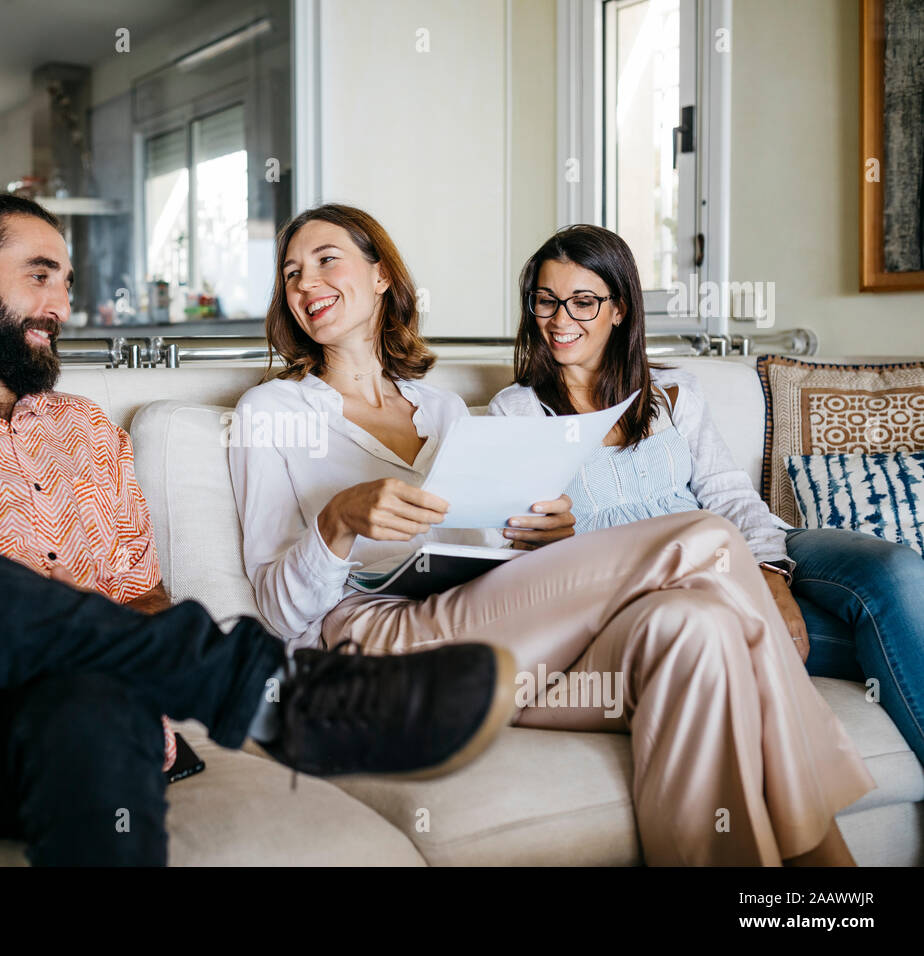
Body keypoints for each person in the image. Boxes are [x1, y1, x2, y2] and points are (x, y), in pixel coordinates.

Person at [0, 193, 519, 868]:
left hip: (55, 732)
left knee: (90, 693)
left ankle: (248, 690)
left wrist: (77, 634)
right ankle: (265, 693)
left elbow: (142, 598)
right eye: (40, 276)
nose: (62, 305)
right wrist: (27, 609)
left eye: (67, 282)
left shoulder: (86, 430)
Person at [229, 203, 876, 865]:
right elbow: (280, 615)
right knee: (704, 535)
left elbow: (480, 548)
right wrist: (337, 523)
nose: (305, 282)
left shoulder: (443, 408)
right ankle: (827, 853)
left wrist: (542, 539)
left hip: (483, 628)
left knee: (697, 626)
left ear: (381, 277)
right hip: (374, 641)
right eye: (290, 273)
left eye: (325, 259)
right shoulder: (271, 412)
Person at [489, 223, 924, 771]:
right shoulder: (520, 412)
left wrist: (771, 573)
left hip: (755, 544)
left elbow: (728, 494)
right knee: (884, 631)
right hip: (676, 583)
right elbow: (532, 552)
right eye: (546, 302)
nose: (560, 320)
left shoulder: (673, 391)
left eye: (583, 302)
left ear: (620, 308)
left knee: (897, 569)